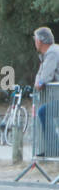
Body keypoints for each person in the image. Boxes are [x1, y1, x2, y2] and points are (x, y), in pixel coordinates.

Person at [31, 26, 59, 155]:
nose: (34, 41)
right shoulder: (48, 54)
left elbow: (43, 79)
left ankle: (54, 150)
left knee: (44, 112)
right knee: (45, 112)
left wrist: (39, 81)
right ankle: (52, 149)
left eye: (35, 39)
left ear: (40, 41)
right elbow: (40, 76)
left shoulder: (52, 53)